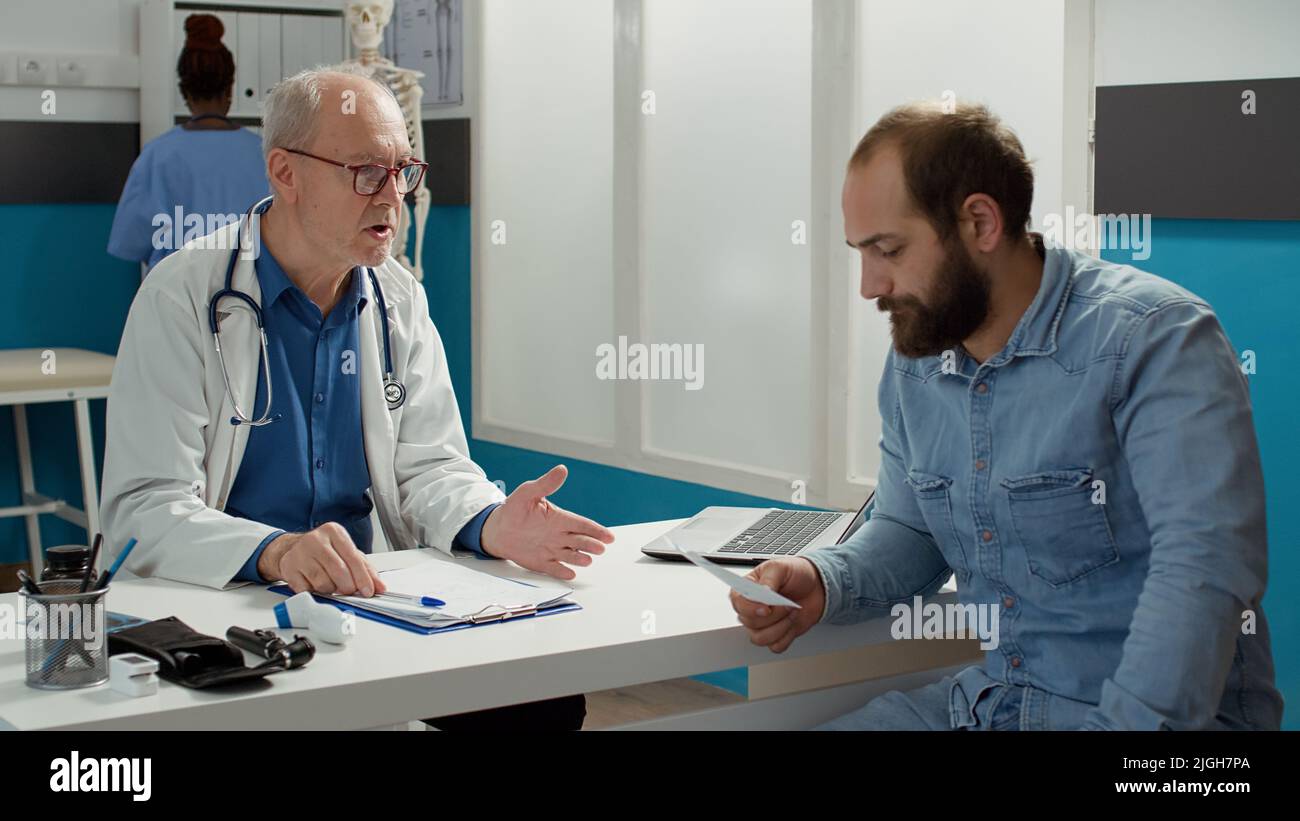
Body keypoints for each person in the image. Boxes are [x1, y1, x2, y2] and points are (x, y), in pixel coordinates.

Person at [730, 101, 1283, 731]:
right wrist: (823, 579)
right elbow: (910, 529)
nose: (869, 286)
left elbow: (1202, 573)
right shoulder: (920, 361)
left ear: (981, 223)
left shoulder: (1153, 339)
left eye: (887, 250)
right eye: (861, 252)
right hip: (995, 703)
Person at [101, 67, 613, 729]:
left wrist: (490, 522)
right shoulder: (182, 297)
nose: (393, 198)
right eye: (368, 171)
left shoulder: (397, 298)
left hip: (368, 601)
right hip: (230, 610)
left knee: (541, 702)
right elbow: (144, 506)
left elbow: (431, 466)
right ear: (285, 173)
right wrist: (274, 550)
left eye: (404, 171)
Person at [108, 14, 269, 274]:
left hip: (173, 300)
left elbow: (132, 241)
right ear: (230, 88)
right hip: (249, 299)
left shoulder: (157, 154)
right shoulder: (265, 155)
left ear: (185, 92)